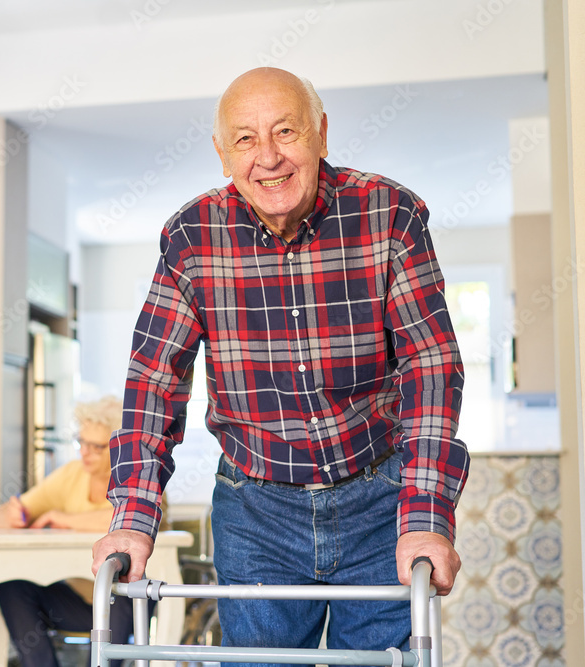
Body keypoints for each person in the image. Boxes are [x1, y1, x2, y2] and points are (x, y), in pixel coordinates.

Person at [91, 67, 470, 660]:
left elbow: (431, 366)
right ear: (223, 155)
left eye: (285, 131)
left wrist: (425, 514)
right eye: (245, 139)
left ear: (320, 133)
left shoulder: (390, 215)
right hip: (257, 510)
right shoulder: (192, 237)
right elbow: (155, 377)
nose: (267, 157)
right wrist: (135, 516)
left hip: (378, 503)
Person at [0, 396, 138, 667]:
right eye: (81, 442)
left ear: (119, 447)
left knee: (119, 594)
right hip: (76, 603)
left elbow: (134, 519)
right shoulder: (71, 474)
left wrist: (62, 517)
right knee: (12, 587)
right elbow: (10, 512)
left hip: (123, 602)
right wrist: (10, 514)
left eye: (96, 447)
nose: (84, 452)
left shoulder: (138, 476)